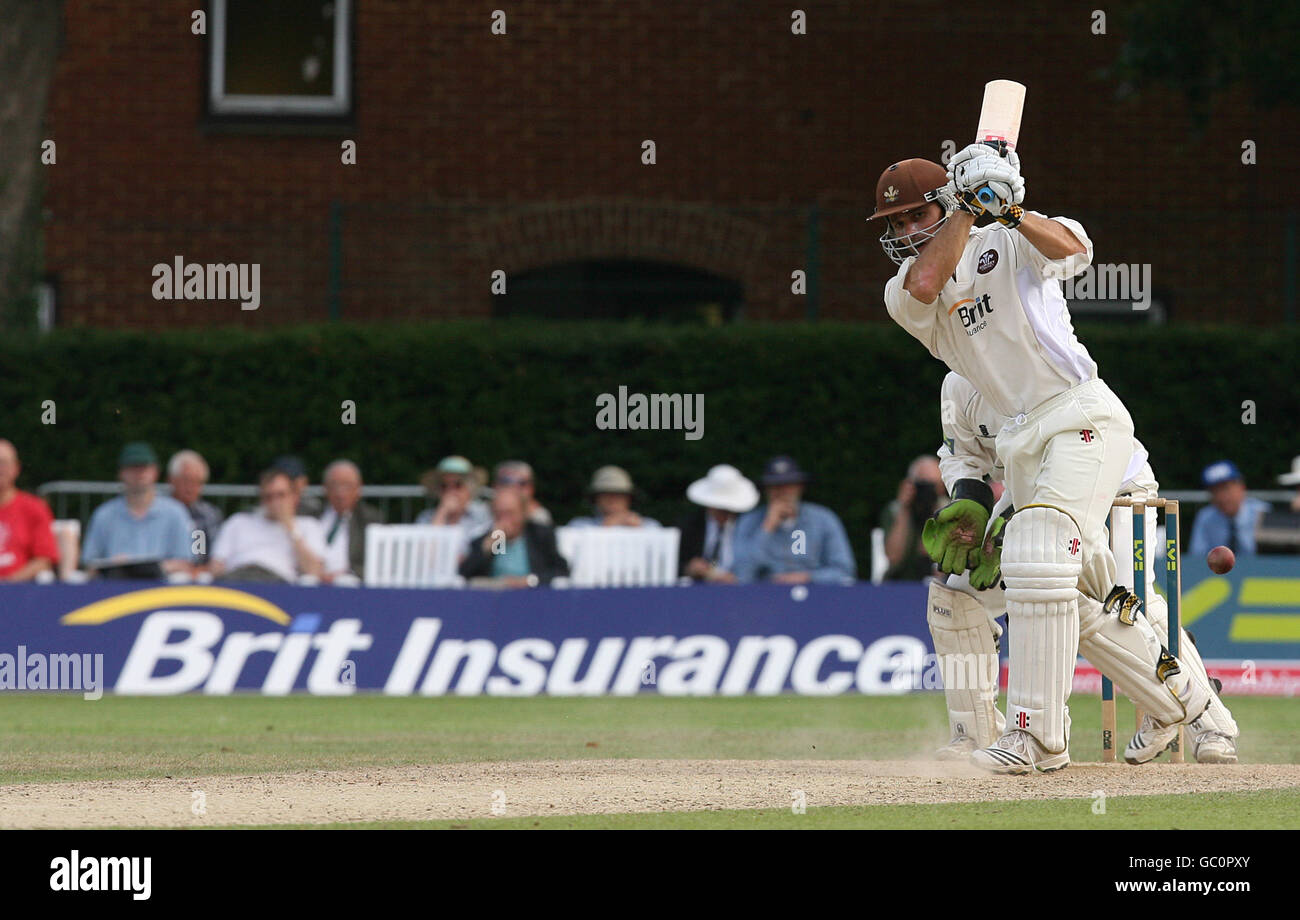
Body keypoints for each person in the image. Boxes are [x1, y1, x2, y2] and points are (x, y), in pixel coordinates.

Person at [869, 150, 1210, 772]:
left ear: (943, 202)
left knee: (1043, 554)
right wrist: (964, 216)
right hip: (1023, 443)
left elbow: (1073, 248)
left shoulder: (1006, 239)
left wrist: (1012, 210)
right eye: (895, 224)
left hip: (1081, 414)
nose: (905, 232)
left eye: (916, 215)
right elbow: (926, 282)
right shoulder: (903, 291)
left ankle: (1035, 739)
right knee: (994, 586)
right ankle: (1178, 696)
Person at [926, 372, 1238, 764]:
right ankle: (975, 734)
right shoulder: (956, 384)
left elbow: (1068, 447)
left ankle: (1209, 722)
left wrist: (1014, 524)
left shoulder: (1031, 356)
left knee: (1123, 604)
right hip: (1032, 500)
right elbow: (960, 455)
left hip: (1113, 483)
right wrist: (970, 498)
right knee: (958, 600)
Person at [732, 456, 856, 584]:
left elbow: (844, 571)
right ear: (766, 490)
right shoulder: (749, 521)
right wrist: (767, 527)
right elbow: (741, 575)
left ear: (799, 487)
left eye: (787, 485)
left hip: (817, 596)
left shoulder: (824, 519)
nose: (781, 492)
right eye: (774, 486)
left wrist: (808, 577)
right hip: (766, 597)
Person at [82, 442, 194, 576]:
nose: (139, 473)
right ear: (121, 473)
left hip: (163, 590)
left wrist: (152, 568)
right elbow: (90, 563)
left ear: (155, 472)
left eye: (144, 467)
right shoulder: (104, 514)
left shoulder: (176, 512)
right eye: (133, 468)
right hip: (116, 589)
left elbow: (186, 561)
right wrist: (112, 565)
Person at [209, 467, 327, 583]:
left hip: (277, 584)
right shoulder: (238, 522)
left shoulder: (309, 526)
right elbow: (216, 565)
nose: (275, 502)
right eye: (268, 497)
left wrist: (290, 527)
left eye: (281, 495)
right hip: (238, 579)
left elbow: (314, 571)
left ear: (294, 497)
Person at [459, 487, 569, 587]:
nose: (504, 520)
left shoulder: (539, 535)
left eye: (509, 513)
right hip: (494, 601)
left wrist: (530, 581)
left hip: (533, 597)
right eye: (499, 514)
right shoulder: (489, 539)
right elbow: (465, 575)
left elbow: (560, 570)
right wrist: (487, 547)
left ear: (523, 513)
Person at [677, 464, 759, 583]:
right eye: (719, 508)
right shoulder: (690, 525)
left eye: (728, 509)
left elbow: (758, 561)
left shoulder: (749, 525)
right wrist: (689, 568)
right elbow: (673, 563)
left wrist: (738, 576)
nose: (724, 513)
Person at [879, 455, 948, 580]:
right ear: (910, 485)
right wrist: (904, 509)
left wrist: (936, 514)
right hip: (900, 581)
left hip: (938, 584)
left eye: (933, 486)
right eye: (923, 485)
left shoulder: (950, 510)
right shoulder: (895, 510)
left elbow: (937, 559)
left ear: (942, 487)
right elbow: (893, 557)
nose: (928, 491)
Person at [0, 439, 59, 582]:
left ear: (16, 468)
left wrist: (9, 584)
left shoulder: (34, 508)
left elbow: (44, 559)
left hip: (21, 593)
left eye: (4, 463)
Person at [1188, 461, 1271, 559]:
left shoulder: (1263, 512)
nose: (1221, 496)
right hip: (1218, 573)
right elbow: (1196, 558)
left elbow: (1274, 558)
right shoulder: (1205, 518)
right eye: (1215, 491)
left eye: (1225, 488)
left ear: (1241, 487)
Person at [319, 459, 384, 579]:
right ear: (325, 489)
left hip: (350, 580)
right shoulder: (314, 514)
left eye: (347, 486)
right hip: (313, 576)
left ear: (358, 489)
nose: (340, 493)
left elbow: (376, 561)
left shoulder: (369, 519)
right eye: (334, 485)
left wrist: (345, 573)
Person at [416, 455, 492, 551]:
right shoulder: (426, 517)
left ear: (470, 488)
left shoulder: (484, 514)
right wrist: (441, 513)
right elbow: (423, 553)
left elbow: (490, 549)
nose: (450, 491)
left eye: (458, 485)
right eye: (444, 486)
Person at [167, 449, 223, 566]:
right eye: (187, 480)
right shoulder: (158, 511)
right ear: (171, 480)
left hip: (198, 575)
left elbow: (215, 554)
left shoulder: (209, 514)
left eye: (198, 482)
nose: (191, 488)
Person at [567, 466, 660, 528]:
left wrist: (640, 531)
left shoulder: (649, 525)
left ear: (628, 498)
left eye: (618, 494)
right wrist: (606, 527)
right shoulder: (580, 525)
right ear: (596, 498)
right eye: (606, 494)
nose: (612, 499)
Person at [493, 460, 552, 526]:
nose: (514, 488)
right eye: (506, 482)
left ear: (531, 489)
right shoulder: (483, 511)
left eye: (522, 483)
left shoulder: (539, 517)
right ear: (495, 486)